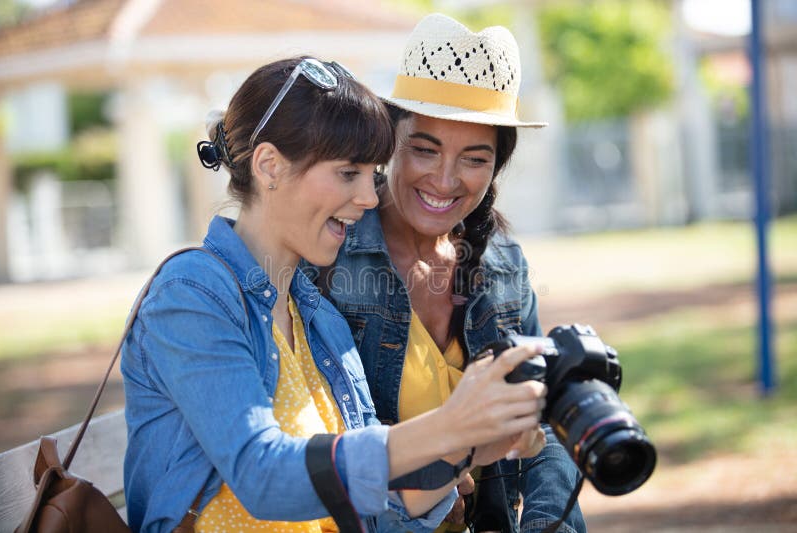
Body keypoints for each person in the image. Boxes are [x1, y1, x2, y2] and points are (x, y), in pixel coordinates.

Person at [120, 56, 550, 533]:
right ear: (269, 166)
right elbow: (262, 474)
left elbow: (374, 516)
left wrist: (471, 448)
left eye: (372, 173)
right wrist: (448, 427)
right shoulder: (193, 294)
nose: (370, 197)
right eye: (349, 173)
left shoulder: (319, 316)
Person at [312, 14, 587, 533]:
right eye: (424, 149)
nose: (444, 179)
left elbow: (543, 423)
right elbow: (315, 443)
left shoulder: (503, 264)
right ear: (390, 139)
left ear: (496, 167)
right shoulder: (329, 257)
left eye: (474, 159)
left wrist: (549, 524)